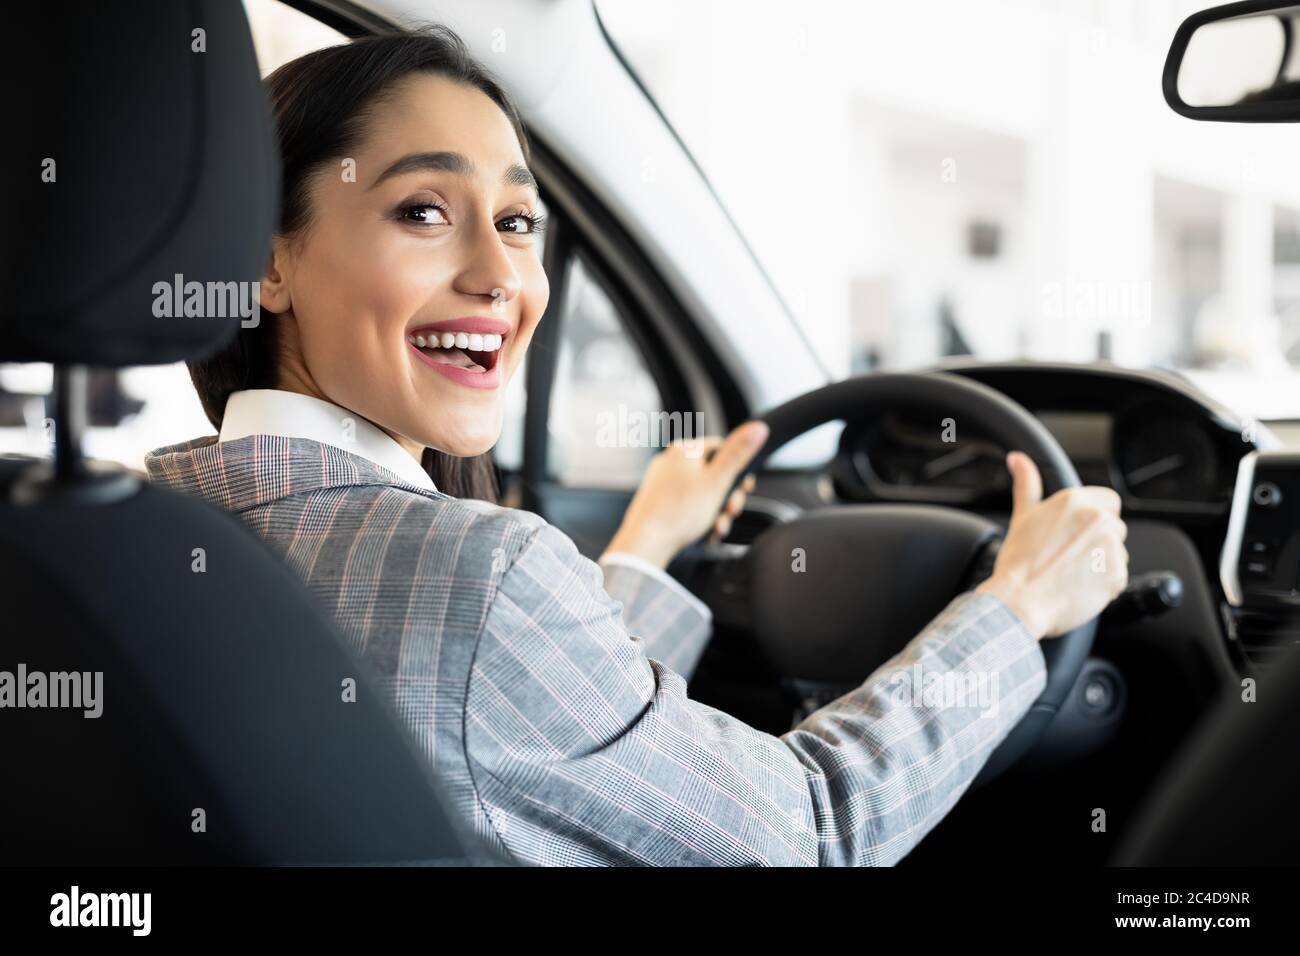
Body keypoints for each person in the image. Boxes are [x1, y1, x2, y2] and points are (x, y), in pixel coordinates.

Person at [146, 28, 1129, 865]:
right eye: (425, 212)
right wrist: (1012, 605)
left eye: (518, 220)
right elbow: (813, 829)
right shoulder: (482, 577)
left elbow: (527, 741)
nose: (500, 275)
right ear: (269, 259)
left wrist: (642, 552)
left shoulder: (144, 541)